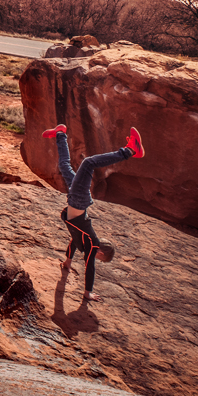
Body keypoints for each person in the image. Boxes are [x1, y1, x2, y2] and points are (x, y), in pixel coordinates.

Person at [44, 123, 144, 303]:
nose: (93, 258)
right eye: (97, 257)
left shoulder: (85, 244)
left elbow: (74, 241)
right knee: (88, 163)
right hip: (78, 200)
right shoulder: (92, 243)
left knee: (65, 166)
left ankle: (60, 134)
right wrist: (87, 292)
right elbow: (89, 268)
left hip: (75, 199)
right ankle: (130, 151)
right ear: (99, 253)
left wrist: (68, 261)